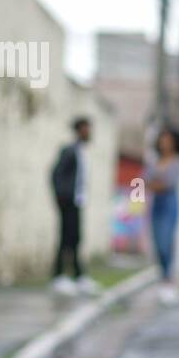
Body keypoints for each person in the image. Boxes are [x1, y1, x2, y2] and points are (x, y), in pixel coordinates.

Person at [50, 117, 100, 296]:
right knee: (66, 239)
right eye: (85, 129)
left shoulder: (81, 152)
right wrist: (61, 197)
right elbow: (56, 173)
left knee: (75, 239)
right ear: (79, 130)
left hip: (77, 201)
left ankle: (79, 276)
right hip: (68, 201)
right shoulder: (70, 151)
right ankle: (59, 276)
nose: (89, 132)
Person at [146, 127, 179, 305]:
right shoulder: (155, 161)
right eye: (162, 140)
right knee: (157, 243)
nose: (165, 143)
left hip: (170, 204)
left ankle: (169, 281)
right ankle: (163, 280)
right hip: (156, 205)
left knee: (166, 243)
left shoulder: (178, 161)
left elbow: (168, 184)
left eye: (168, 140)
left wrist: (155, 184)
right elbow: (143, 181)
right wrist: (155, 185)